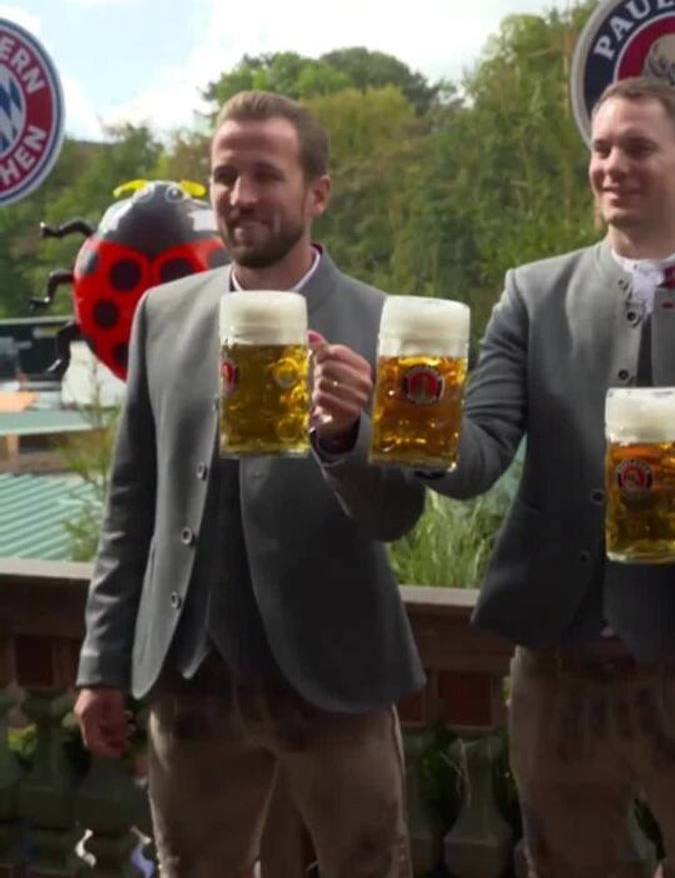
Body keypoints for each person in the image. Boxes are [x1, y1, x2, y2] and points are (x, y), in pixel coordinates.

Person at [416, 76, 675, 877]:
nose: (612, 165)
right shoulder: (531, 293)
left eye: (636, 147)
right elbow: (480, 451)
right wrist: (408, 431)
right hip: (558, 669)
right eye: (600, 148)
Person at [73, 90, 424, 873]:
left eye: (266, 174)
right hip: (190, 674)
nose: (240, 196)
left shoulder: (388, 325)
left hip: (337, 671)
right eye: (223, 175)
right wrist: (102, 663)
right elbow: (131, 505)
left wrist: (345, 439)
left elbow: (401, 513)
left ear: (317, 193)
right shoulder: (161, 315)